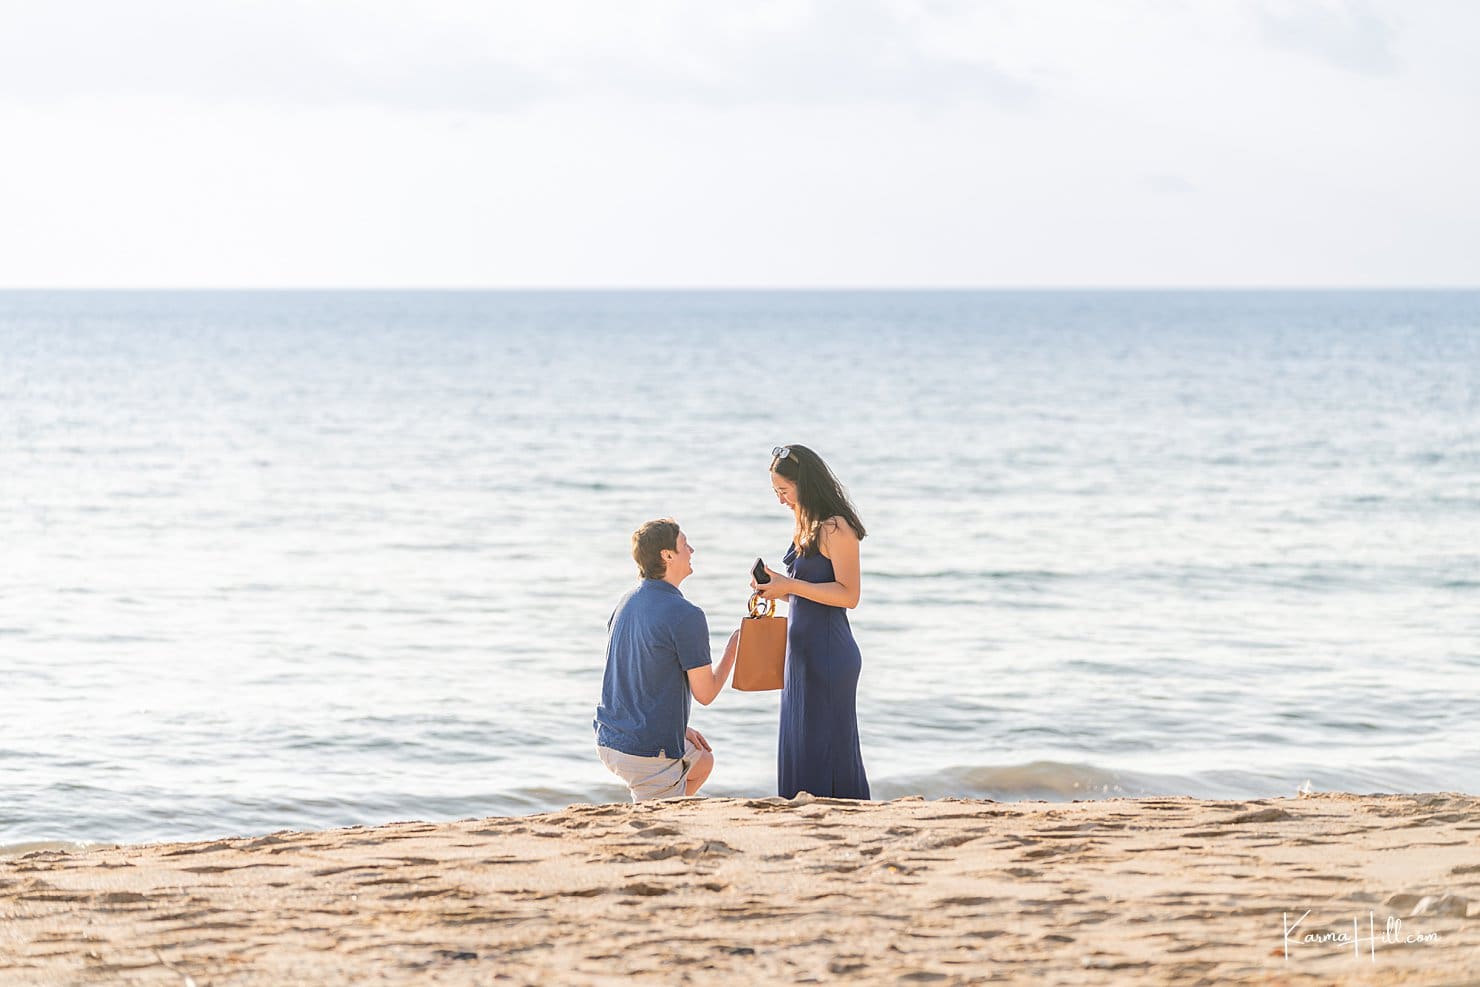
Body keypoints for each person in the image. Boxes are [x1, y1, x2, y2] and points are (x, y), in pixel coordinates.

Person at [751, 445, 871, 800]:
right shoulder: (802, 525)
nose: (781, 500)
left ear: (805, 484)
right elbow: (809, 594)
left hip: (829, 655)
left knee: (827, 748)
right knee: (800, 743)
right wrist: (777, 588)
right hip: (799, 654)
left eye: (784, 491)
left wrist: (790, 585)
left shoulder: (836, 527)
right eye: (776, 493)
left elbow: (849, 596)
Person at [594, 518, 739, 802]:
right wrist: (733, 649)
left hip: (609, 736)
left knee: (702, 759)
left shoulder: (627, 600)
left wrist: (676, 727)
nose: (692, 550)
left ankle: (670, 797)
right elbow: (706, 693)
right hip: (644, 751)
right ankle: (665, 801)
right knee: (663, 831)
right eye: (685, 544)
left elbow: (638, 675)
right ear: (667, 555)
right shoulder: (686, 614)